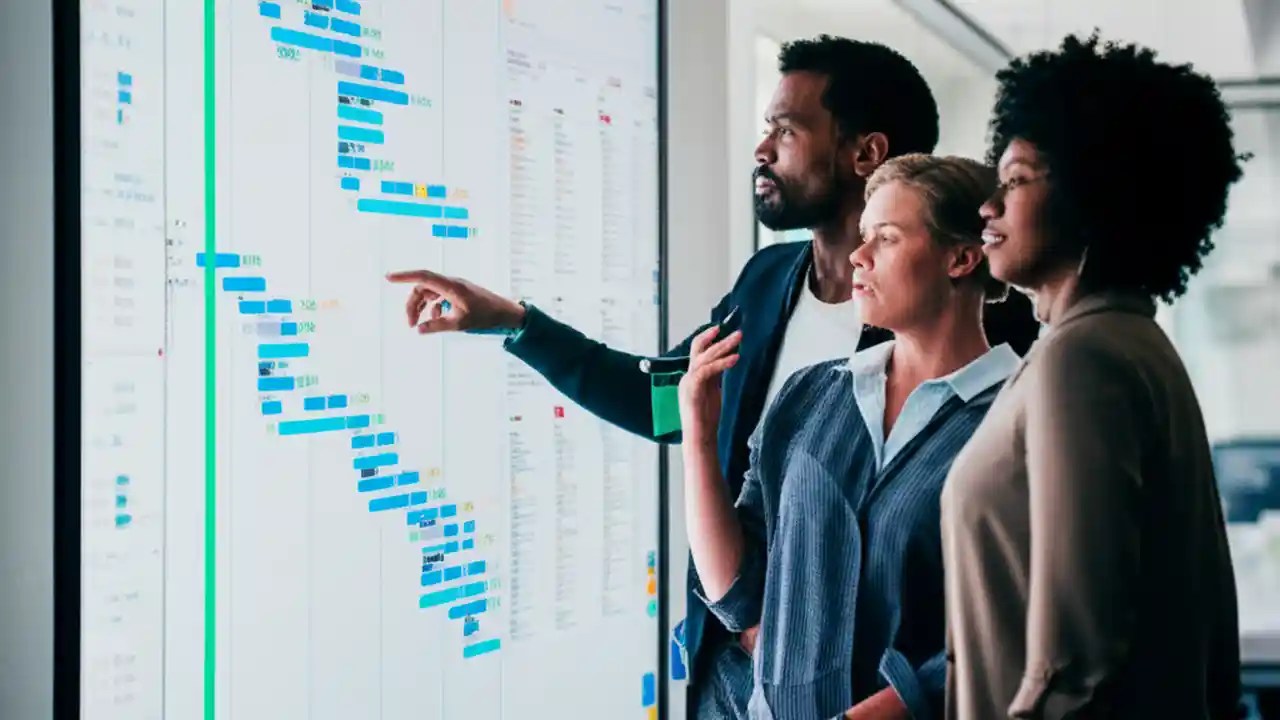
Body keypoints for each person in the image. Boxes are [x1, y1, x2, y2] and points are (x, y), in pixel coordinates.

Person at [387, 36, 1039, 713]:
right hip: (737, 684)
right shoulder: (767, 286)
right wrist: (518, 322)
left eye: (787, 130)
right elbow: (668, 401)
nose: (763, 150)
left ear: (865, 153)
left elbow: (1011, 604)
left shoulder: (999, 340)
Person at [941, 33, 1245, 720]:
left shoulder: (1083, 359)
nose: (988, 207)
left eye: (1016, 181)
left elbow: (1076, 662)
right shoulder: (1130, 340)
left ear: (1093, 194)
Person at [679, 153, 1021, 720]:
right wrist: (698, 434)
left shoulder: (1017, 421)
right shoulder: (810, 396)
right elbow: (737, 593)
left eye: (885, 238)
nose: (858, 258)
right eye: (863, 236)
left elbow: (1012, 632)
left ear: (961, 258)